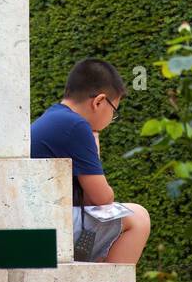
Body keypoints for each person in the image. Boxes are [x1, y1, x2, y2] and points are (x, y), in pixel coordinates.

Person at [31, 58, 150, 264]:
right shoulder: (76, 125)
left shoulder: (54, 117)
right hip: (48, 227)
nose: (111, 119)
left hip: (37, 221)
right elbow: (102, 198)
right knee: (139, 218)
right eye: (114, 110)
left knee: (112, 231)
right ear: (99, 102)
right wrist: (95, 151)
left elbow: (87, 200)